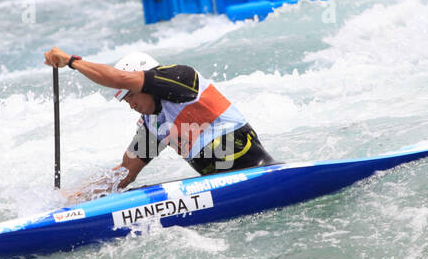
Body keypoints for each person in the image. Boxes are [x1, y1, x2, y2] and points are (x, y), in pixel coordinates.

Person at [41, 48, 275, 194]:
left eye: (130, 94)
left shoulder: (182, 79)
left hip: (262, 174)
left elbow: (119, 78)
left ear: (147, 83)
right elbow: (124, 173)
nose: (130, 104)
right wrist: (73, 199)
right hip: (222, 188)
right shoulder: (153, 125)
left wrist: (72, 61)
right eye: (124, 100)